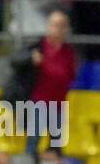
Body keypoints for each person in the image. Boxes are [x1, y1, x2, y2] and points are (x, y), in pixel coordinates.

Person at [11, 10, 77, 155]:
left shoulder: (68, 51)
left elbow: (71, 75)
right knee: (33, 142)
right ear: (48, 26)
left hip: (59, 105)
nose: (57, 29)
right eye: (54, 25)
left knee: (56, 145)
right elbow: (15, 60)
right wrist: (30, 59)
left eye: (61, 26)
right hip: (39, 103)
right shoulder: (37, 46)